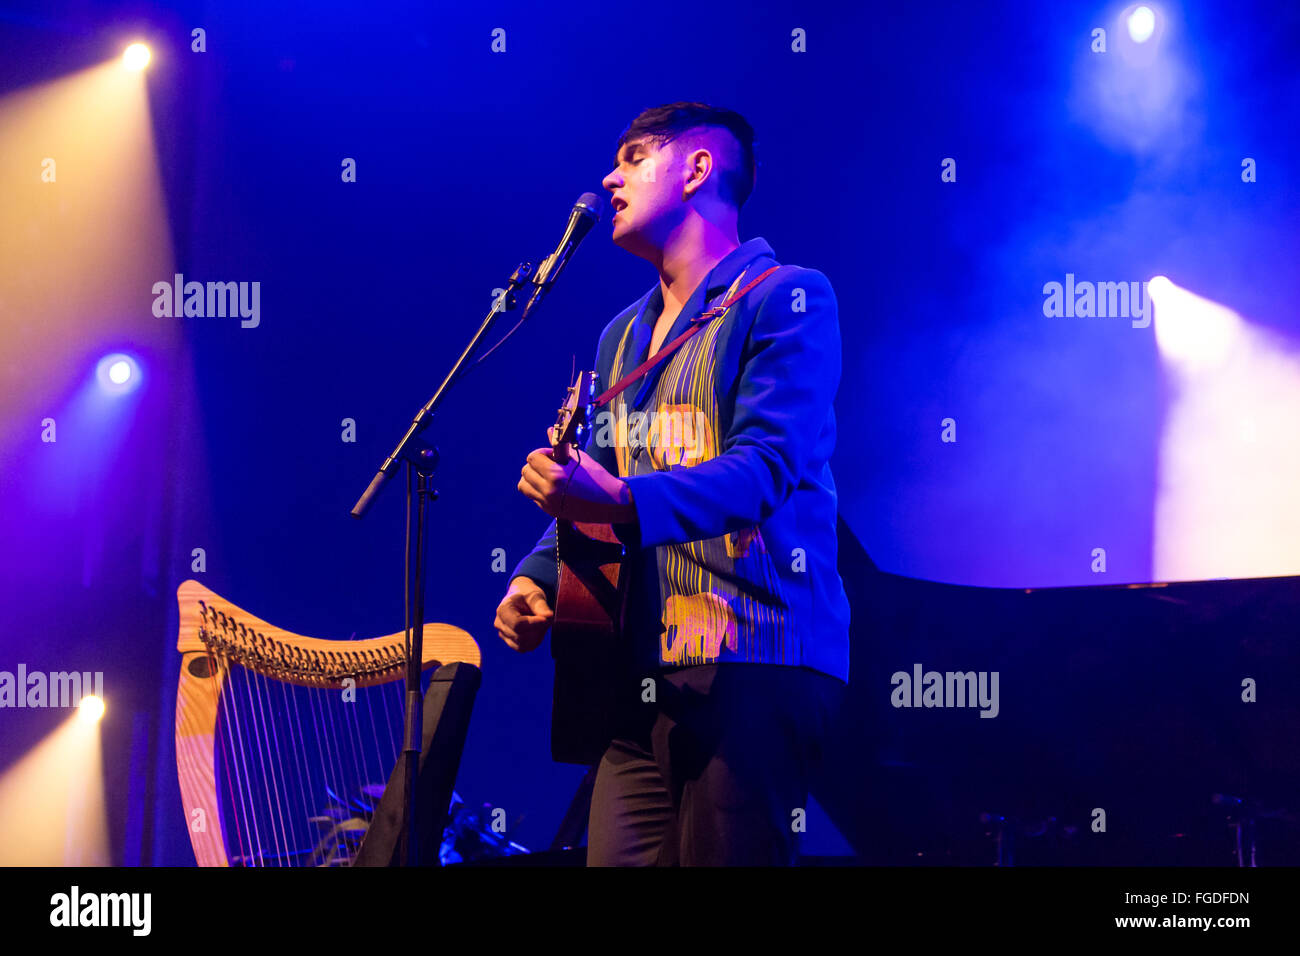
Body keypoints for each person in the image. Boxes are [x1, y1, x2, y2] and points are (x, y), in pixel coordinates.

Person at [493, 102, 850, 866]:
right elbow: (603, 475)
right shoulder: (620, 334)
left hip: (753, 654)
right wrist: (541, 575)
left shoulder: (785, 297)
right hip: (640, 667)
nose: (608, 176)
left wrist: (617, 500)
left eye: (631, 157)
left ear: (695, 168)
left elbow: (766, 467)